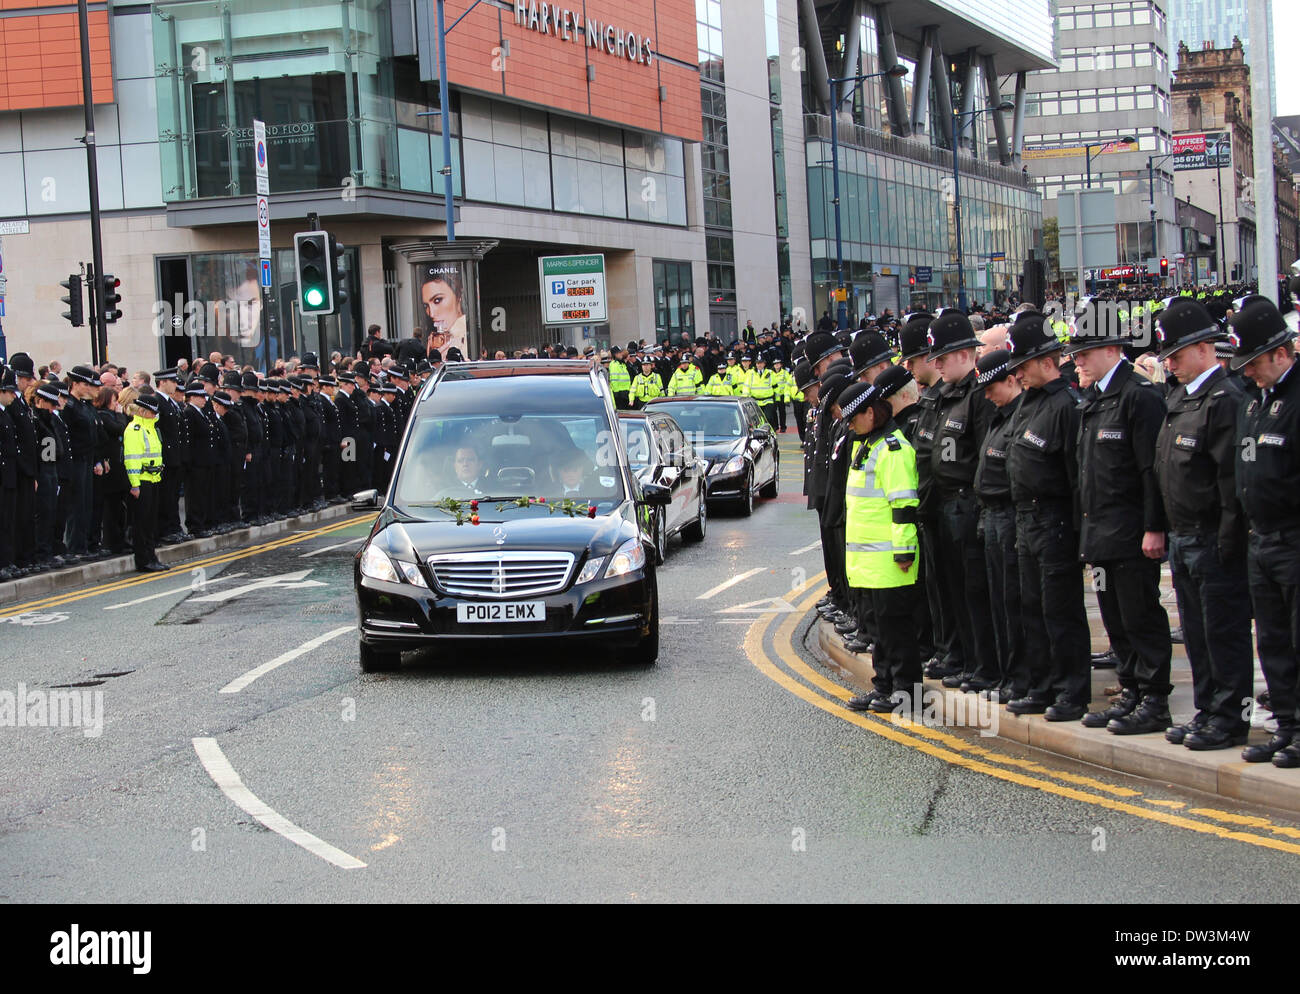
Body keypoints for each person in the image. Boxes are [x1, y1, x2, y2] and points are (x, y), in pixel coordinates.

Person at [1152, 298, 1252, 751]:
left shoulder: (1224, 399)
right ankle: (1209, 709)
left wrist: (1230, 544)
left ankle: (1229, 717)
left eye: (1175, 354)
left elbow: (1232, 484)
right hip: (1183, 535)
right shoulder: (1182, 397)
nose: (1169, 363)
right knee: (1195, 632)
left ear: (1204, 348)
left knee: (1222, 631)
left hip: (1213, 537)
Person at [1069, 309, 1171, 732]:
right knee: (1114, 615)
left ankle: (1154, 699)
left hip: (1131, 532)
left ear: (1112, 349)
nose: (1079, 362)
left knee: (1140, 615)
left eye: (1086, 353)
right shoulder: (1096, 398)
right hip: (1101, 531)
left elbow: (1151, 469)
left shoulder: (1138, 395)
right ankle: (1130, 689)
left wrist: (1154, 526)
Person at [1004, 310, 1091, 715]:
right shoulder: (1028, 404)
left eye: (1022, 367)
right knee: (1032, 609)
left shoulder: (1067, 406)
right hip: (1026, 520)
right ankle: (1040, 685)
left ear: (1046, 362)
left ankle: (1071, 691)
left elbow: (1077, 478)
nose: (1017, 375)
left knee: (1061, 612)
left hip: (1054, 520)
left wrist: (1080, 535)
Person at [1229, 296, 1300, 766]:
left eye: (1253, 362)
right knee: (1272, 641)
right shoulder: (1257, 401)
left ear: (1280, 353)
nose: (1247, 371)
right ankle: (1288, 727)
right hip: (1261, 539)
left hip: (1294, 539)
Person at [838, 382, 921, 712]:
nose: (849, 425)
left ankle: (906, 693)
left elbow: (903, 506)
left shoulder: (893, 450)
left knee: (897, 632)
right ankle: (884, 686)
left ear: (870, 413)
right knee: (880, 634)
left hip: (890, 562)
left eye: (852, 419)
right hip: (870, 565)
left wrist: (903, 551)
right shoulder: (867, 444)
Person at [927, 310, 998, 694]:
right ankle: (969, 660)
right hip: (946, 504)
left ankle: (985, 665)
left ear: (966, 354)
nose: (936, 363)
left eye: (942, 356)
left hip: (969, 503)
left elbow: (985, 453)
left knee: (975, 590)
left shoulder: (978, 394)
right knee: (956, 589)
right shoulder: (946, 395)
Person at [973, 348, 1025, 702]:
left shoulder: (1019, 415)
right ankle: (1008, 674)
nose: (988, 394)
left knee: (1015, 602)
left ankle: (1019, 676)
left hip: (1012, 515)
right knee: (999, 601)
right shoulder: (1000, 415)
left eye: (993, 387)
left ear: (1012, 380)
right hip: (991, 515)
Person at [122, 392, 168, 573]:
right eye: (151, 412)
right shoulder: (134, 430)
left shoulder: (151, 428)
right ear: (142, 411)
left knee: (150, 523)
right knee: (141, 524)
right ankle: (144, 560)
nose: (154, 415)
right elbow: (131, 459)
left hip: (153, 479)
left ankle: (151, 557)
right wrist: (134, 484)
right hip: (141, 481)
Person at [421, 265, 468, 358]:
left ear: (458, 295)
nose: (431, 313)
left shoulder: (468, 335)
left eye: (437, 300)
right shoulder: (434, 339)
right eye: (426, 305)